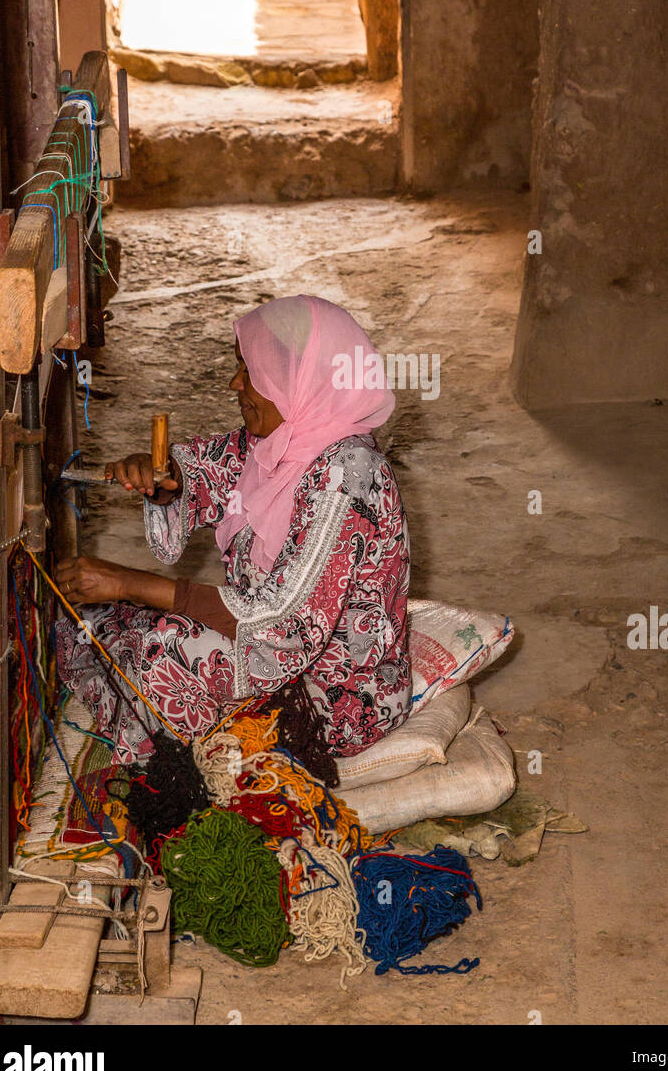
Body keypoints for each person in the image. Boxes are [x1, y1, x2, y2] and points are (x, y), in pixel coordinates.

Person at [54, 295, 411, 765]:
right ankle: (165, 715)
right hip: (270, 649)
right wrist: (165, 479)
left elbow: (284, 622)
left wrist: (130, 582)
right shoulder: (285, 438)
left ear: (297, 379)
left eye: (251, 371)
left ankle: (176, 764)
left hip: (333, 697)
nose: (234, 383)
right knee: (95, 624)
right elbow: (211, 467)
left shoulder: (349, 476)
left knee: (161, 649)